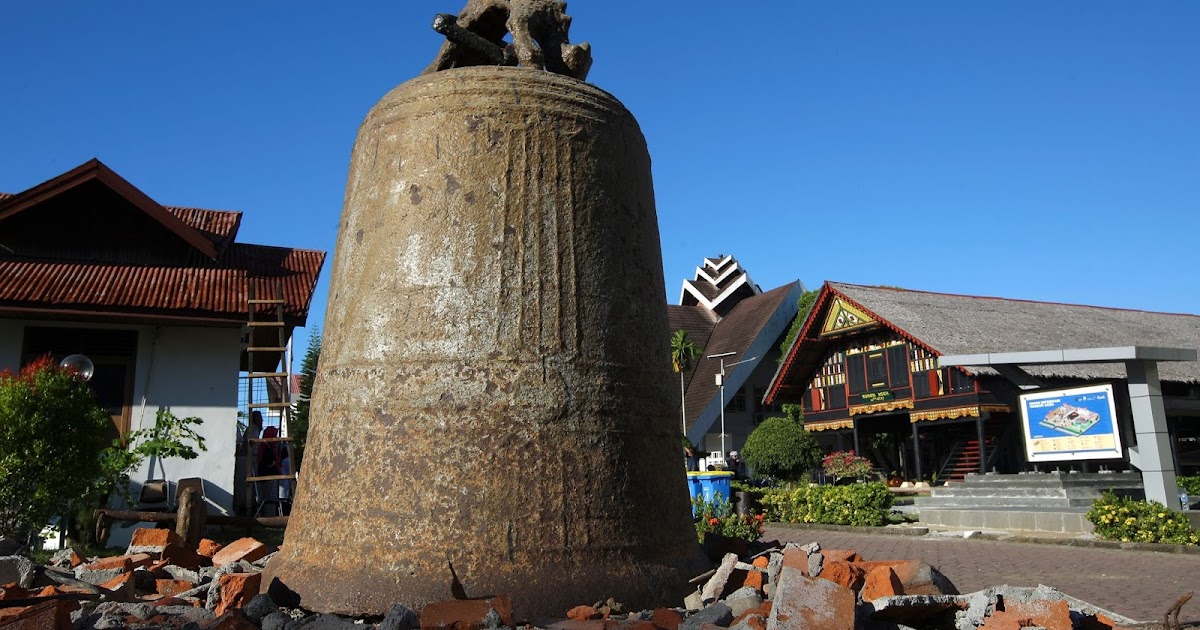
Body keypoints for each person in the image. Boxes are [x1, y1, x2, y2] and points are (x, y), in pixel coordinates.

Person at [256, 426, 282, 515]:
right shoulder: (268, 448)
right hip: (269, 477)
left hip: (267, 477)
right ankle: (269, 516)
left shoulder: (266, 446)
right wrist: (275, 463)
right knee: (270, 498)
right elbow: (269, 463)